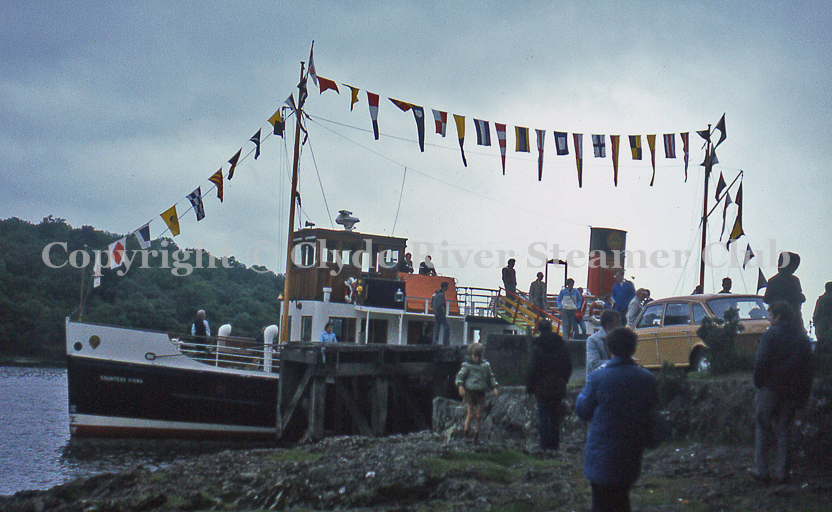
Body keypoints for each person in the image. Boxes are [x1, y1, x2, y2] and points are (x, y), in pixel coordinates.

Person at [575, 327, 659, 512]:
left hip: (600, 454)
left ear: (610, 349)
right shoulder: (646, 379)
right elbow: (652, 412)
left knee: (601, 502)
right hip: (631, 452)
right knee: (622, 499)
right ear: (633, 348)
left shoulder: (598, 377)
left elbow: (583, 410)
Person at [752, 301, 814, 484]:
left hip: (770, 388)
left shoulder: (770, 335)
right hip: (792, 389)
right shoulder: (802, 337)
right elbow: (809, 367)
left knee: (763, 427)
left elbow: (761, 362)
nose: (769, 318)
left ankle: (761, 470)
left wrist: (759, 383)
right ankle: (782, 472)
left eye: (770, 314)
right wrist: (804, 393)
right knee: (784, 430)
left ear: (777, 316)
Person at [526, 319, 573, 450]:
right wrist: (564, 380)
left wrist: (530, 387)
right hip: (558, 385)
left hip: (541, 387)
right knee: (554, 416)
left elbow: (533, 369)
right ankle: (555, 445)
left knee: (543, 415)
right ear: (551, 328)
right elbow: (568, 366)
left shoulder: (537, 346)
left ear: (539, 330)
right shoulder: (561, 345)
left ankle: (544, 446)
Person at [455, 342, 499, 443]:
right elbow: (460, 377)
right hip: (470, 393)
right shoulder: (467, 366)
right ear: (471, 355)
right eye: (475, 356)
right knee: (470, 414)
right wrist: (460, 386)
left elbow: (491, 377)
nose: (477, 358)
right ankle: (465, 435)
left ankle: (476, 436)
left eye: (479, 356)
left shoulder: (486, 366)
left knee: (478, 416)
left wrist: (494, 387)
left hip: (481, 392)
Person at [764, 252, 806, 327]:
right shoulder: (794, 280)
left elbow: (766, 299)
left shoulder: (773, 281)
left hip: (779, 317)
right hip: (792, 318)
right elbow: (799, 297)